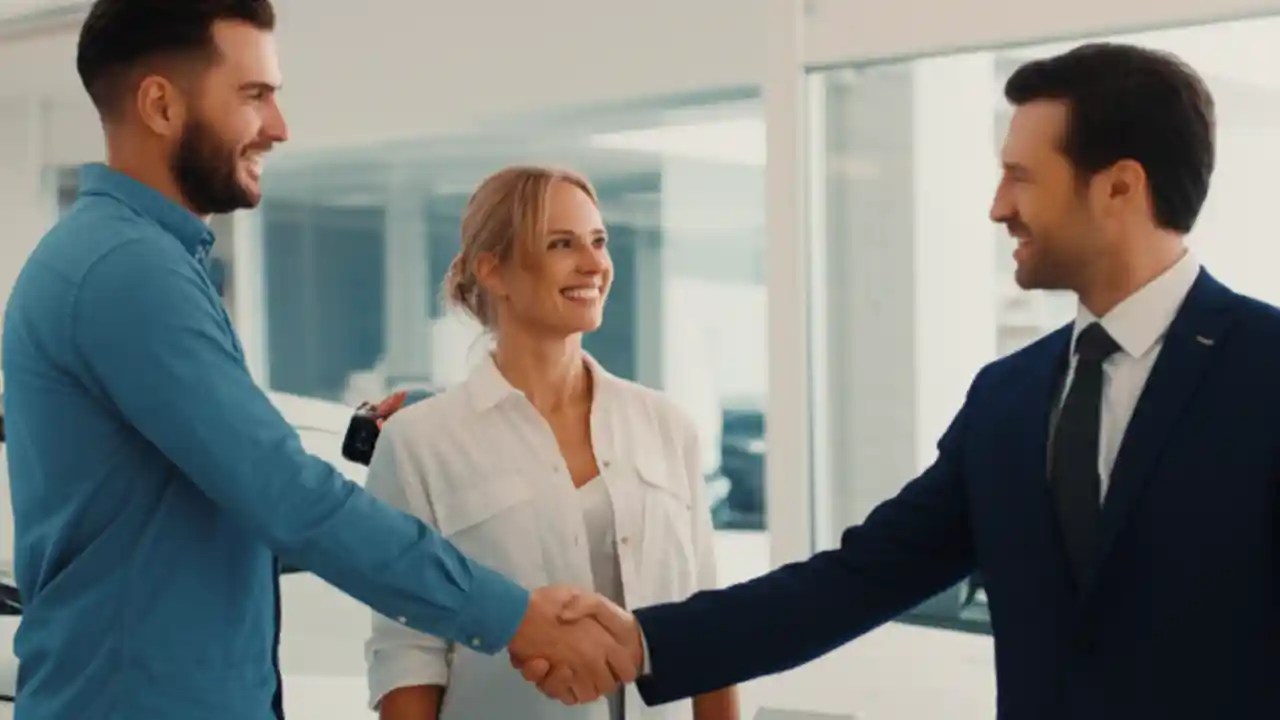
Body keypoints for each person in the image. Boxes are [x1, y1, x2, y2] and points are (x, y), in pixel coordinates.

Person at [528, 42, 1280, 718]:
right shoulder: (1010, 397)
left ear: (1119, 188)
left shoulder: (1265, 369)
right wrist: (642, 641)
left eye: (1021, 177)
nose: (998, 207)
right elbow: (860, 578)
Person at [0, 2, 630, 718]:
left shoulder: (129, 261)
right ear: (161, 105)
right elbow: (284, 496)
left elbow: (217, 514)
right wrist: (517, 617)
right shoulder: (127, 271)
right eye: (254, 96)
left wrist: (406, 458)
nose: (279, 126)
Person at [362, 166, 739, 720]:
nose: (594, 263)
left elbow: (707, 626)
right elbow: (408, 654)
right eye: (562, 244)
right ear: (493, 270)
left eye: (598, 241)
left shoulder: (666, 426)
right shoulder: (420, 442)